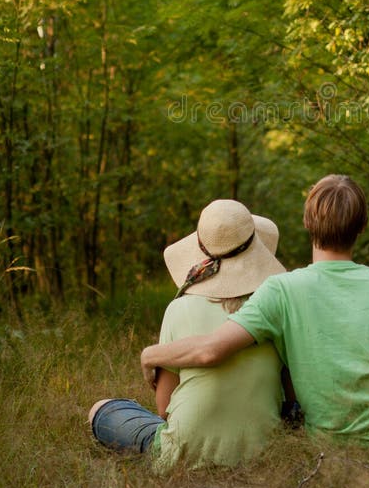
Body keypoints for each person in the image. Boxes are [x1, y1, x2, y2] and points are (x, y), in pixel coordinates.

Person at [141, 175, 369, 442]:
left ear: (307, 222)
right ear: (363, 226)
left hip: (335, 440)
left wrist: (150, 355)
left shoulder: (282, 290)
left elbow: (210, 350)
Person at [89, 199, 287, 470]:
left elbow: (164, 408)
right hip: (262, 449)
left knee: (101, 409)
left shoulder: (179, 309)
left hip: (184, 455)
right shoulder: (275, 308)